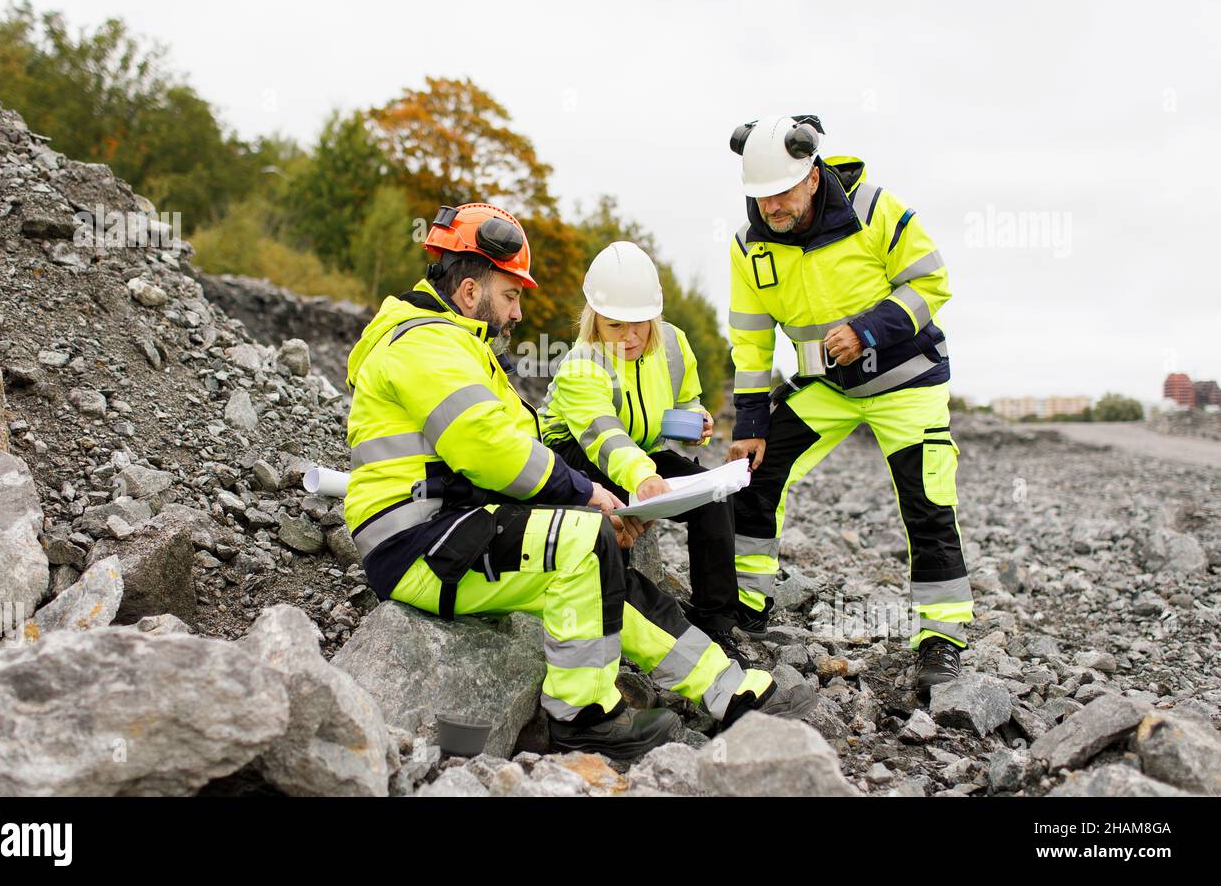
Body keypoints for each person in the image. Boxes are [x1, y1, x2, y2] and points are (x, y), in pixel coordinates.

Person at [343, 203, 813, 761]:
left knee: (599, 560)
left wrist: (590, 509)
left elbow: (511, 449)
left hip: (453, 530)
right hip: (418, 543)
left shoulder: (461, 347)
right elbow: (492, 450)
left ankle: (725, 691)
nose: (518, 312)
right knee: (587, 546)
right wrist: (587, 494)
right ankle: (584, 717)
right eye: (511, 295)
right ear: (470, 293)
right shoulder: (425, 345)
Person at [724, 115, 973, 696]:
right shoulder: (748, 246)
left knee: (927, 504)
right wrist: (751, 423)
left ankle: (942, 638)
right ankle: (745, 600)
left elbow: (931, 283)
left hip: (907, 382)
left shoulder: (874, 210)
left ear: (812, 175)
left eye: (782, 193)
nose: (771, 209)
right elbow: (752, 343)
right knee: (755, 474)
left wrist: (867, 329)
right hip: (828, 390)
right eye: (759, 197)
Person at [539, 241, 750, 658]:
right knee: (616, 503)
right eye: (616, 326)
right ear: (594, 319)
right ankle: (622, 622)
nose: (631, 336)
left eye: (640, 324)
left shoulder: (673, 343)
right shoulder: (581, 364)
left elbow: (686, 398)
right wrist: (644, 478)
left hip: (641, 450)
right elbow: (604, 435)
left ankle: (717, 621)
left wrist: (695, 422)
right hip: (575, 453)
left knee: (714, 497)